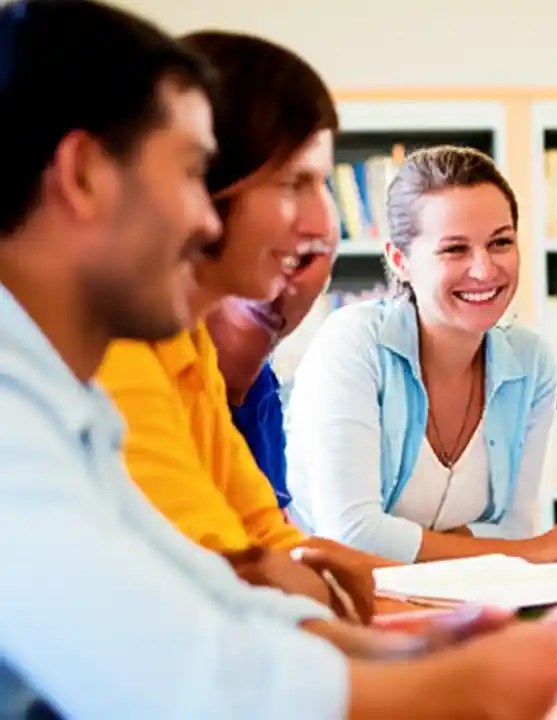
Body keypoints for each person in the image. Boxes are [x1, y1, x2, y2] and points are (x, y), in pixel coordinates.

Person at [0, 3, 557, 718]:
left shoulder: (60, 389)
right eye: (189, 175)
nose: (204, 219)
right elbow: (176, 669)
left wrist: (402, 649)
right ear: (83, 176)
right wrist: (454, 687)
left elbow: (212, 584)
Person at [91, 30, 393, 621]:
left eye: (323, 185)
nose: (320, 222)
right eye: (292, 183)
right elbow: (222, 585)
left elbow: (267, 543)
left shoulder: (191, 343)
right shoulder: (120, 346)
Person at [285, 145, 557, 565]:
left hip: (461, 601)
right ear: (401, 261)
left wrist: (409, 540)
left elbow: (512, 525)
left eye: (500, 242)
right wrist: (527, 551)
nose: (485, 270)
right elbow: (352, 534)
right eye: (455, 250)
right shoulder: (354, 343)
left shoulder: (529, 362)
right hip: (340, 605)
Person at [205, 206, 338, 511]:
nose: (273, 287)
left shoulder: (263, 390)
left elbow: (272, 532)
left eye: (301, 262)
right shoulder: (157, 375)